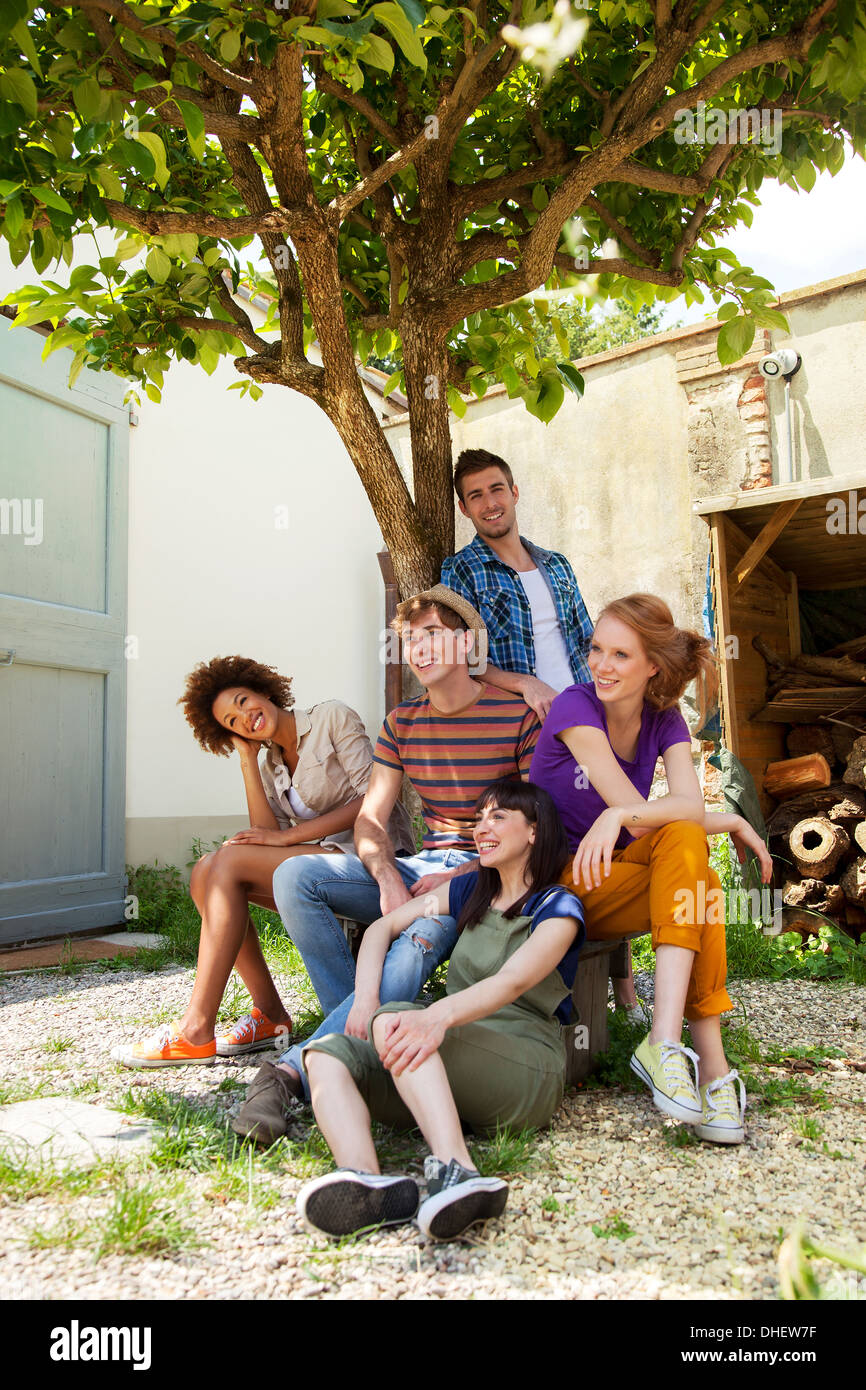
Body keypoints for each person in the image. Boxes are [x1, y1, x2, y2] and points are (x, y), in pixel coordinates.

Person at [232, 588, 540, 1142]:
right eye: (408, 641)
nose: (417, 650)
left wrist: (464, 879)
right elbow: (370, 822)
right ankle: (354, 1036)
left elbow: (530, 825)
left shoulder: (516, 715)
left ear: (466, 642)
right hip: (417, 863)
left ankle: (292, 1070)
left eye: (431, 635)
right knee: (293, 875)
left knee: (416, 935)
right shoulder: (402, 723)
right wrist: (386, 879)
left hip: (479, 873)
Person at [529, 594, 774, 1144]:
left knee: (692, 861)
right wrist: (725, 823)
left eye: (621, 654)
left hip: (616, 872)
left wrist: (621, 814)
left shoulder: (663, 720)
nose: (602, 665)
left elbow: (680, 810)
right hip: (559, 884)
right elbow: (650, 821)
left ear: (652, 667)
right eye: (597, 649)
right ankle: (707, 1064)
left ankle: (670, 1045)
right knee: (699, 875)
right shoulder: (575, 707)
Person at [295, 779, 584, 1241]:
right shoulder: (470, 891)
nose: (481, 828)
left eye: (498, 817)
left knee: (400, 1024)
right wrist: (367, 999)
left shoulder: (558, 907)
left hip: (523, 1066)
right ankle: (365, 1182)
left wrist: (433, 1016)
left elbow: (512, 982)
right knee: (324, 1053)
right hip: (446, 1059)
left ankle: (458, 1171)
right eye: (479, 817)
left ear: (534, 831)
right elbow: (382, 929)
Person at [111, 655, 411, 1067]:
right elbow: (264, 839)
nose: (243, 717)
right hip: (317, 869)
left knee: (227, 864)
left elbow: (370, 798)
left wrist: (287, 836)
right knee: (205, 872)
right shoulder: (270, 762)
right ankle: (269, 1014)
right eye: (231, 721)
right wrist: (248, 761)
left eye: (242, 701)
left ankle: (196, 1030)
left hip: (374, 862)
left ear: (264, 691)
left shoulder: (331, 718)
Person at [440, 448, 642, 1016]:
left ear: (514, 492)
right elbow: (469, 658)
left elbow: (587, 640)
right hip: (533, 728)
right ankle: (539, 982)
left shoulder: (555, 563)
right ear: (464, 507)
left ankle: (621, 977)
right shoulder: (461, 571)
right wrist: (525, 682)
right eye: (476, 495)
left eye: (496, 489)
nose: (489, 502)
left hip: (589, 716)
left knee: (617, 828)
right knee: (549, 843)